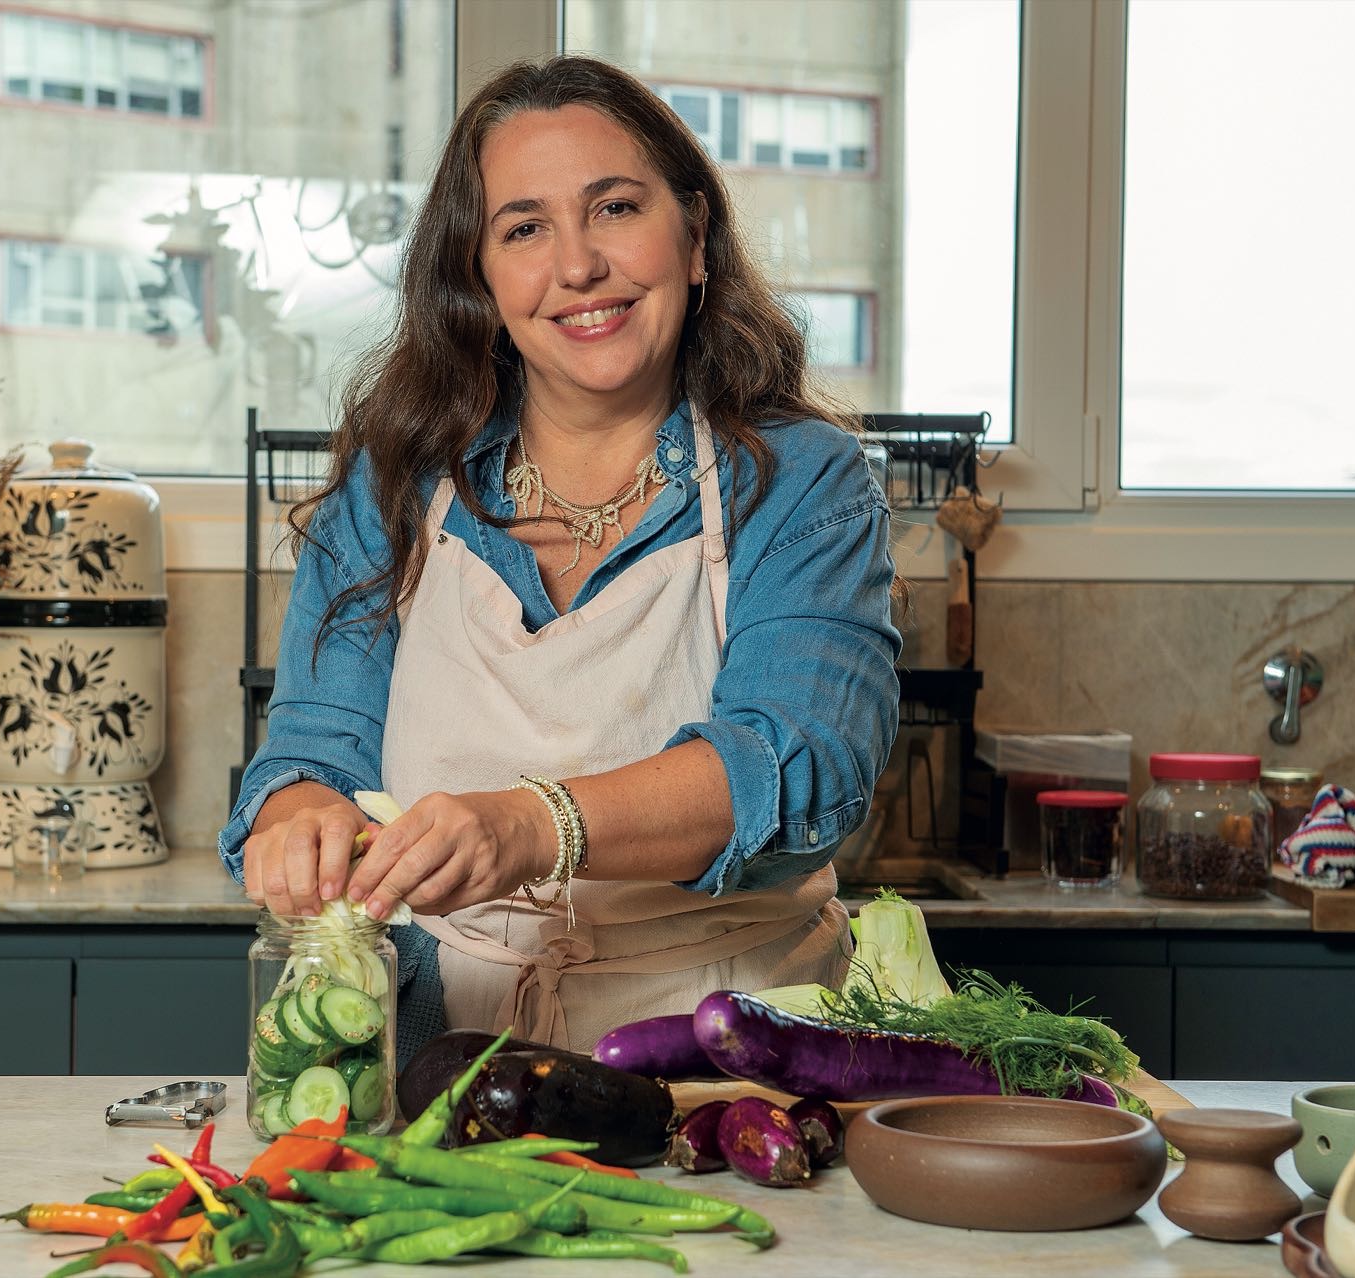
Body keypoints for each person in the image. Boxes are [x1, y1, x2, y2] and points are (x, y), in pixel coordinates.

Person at [220, 55, 901, 1061]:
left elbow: (798, 762)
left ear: (695, 238)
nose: (577, 267)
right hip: (441, 1046)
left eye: (615, 208)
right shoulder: (396, 480)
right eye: (524, 229)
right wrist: (302, 820)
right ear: (481, 280)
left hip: (730, 1056)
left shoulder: (802, 481)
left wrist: (534, 826)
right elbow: (317, 751)